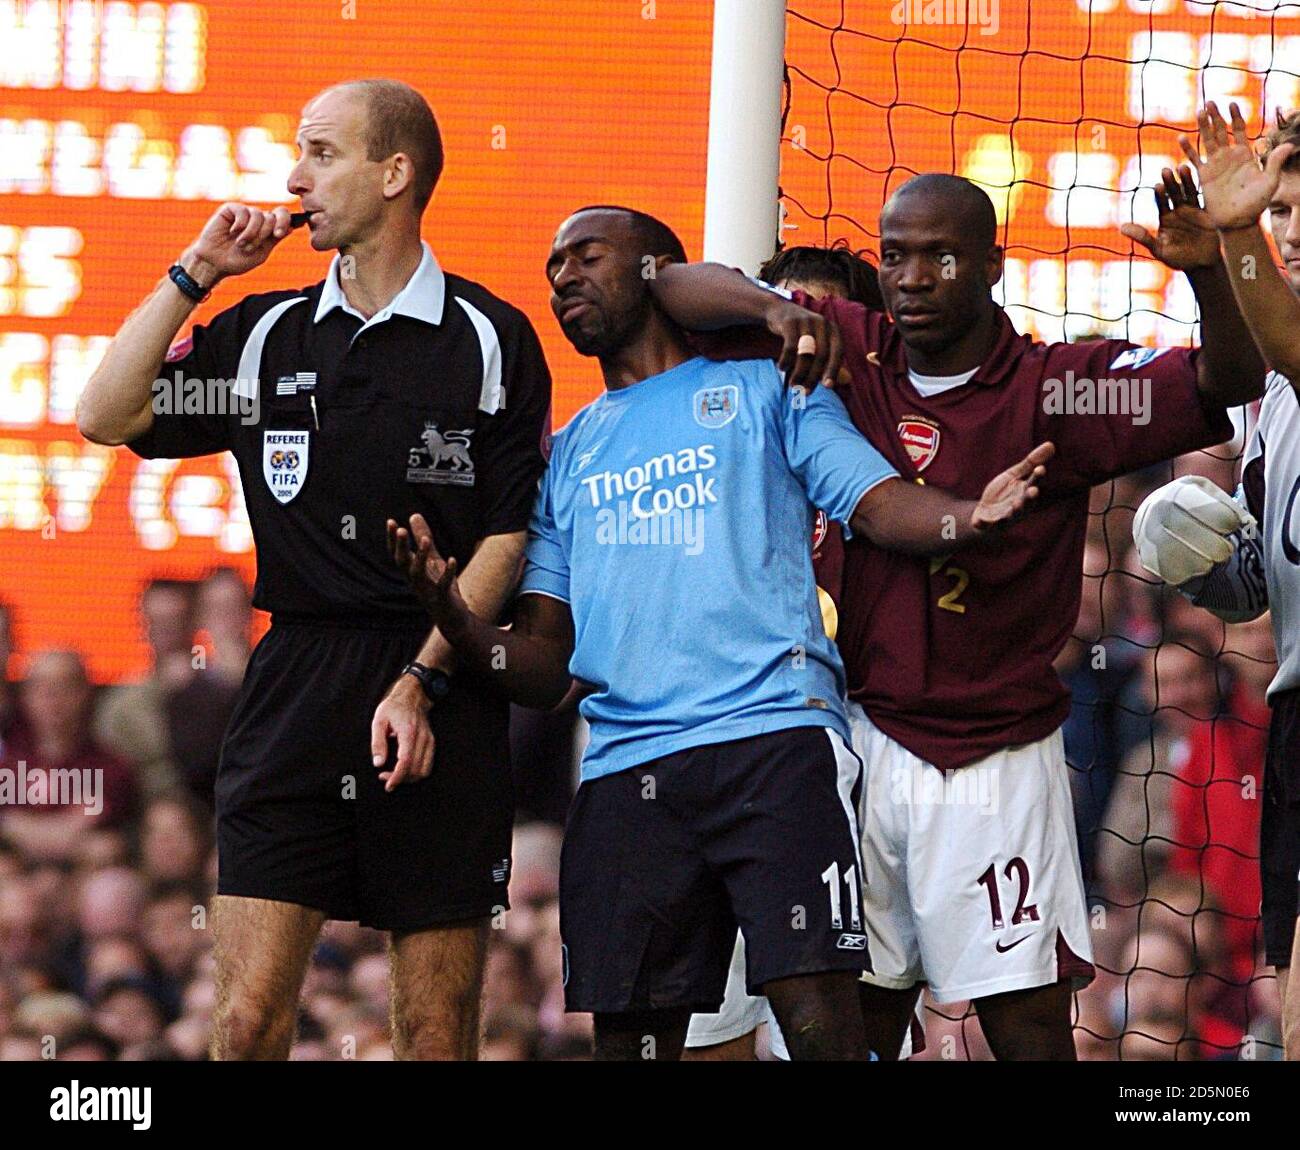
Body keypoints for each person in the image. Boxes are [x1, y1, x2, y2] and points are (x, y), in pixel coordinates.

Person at [389, 204, 1053, 1060]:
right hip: (627, 772)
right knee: (636, 1045)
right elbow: (546, 666)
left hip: (774, 745)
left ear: (658, 271)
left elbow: (877, 501)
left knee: (823, 1029)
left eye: (587, 256)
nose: (563, 279)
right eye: (553, 267)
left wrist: (968, 517)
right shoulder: (569, 455)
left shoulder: (770, 388)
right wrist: (453, 615)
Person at [647, 161, 1266, 1059]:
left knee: (1026, 1033)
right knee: (856, 1032)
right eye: (896, 255)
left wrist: (1207, 271)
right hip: (859, 746)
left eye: (940, 256)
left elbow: (1226, 380)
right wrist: (775, 311)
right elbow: (669, 285)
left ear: (994, 265)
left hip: (998, 761)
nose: (911, 277)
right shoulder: (850, 349)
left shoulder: (1062, 392)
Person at [75, 79, 551, 1060]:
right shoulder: (262, 335)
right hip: (293, 684)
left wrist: (423, 678)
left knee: (430, 1034)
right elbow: (103, 414)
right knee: (243, 1026)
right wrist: (195, 271)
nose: (295, 177)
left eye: (322, 152)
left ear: (395, 172)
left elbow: (509, 535)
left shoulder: (490, 338)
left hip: (444, 687)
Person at [1131, 99, 1300, 1060]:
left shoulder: (1289, 352)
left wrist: (1235, 239)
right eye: (1280, 211)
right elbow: (1257, 587)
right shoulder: (1269, 395)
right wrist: (1210, 563)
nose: (1294, 230)